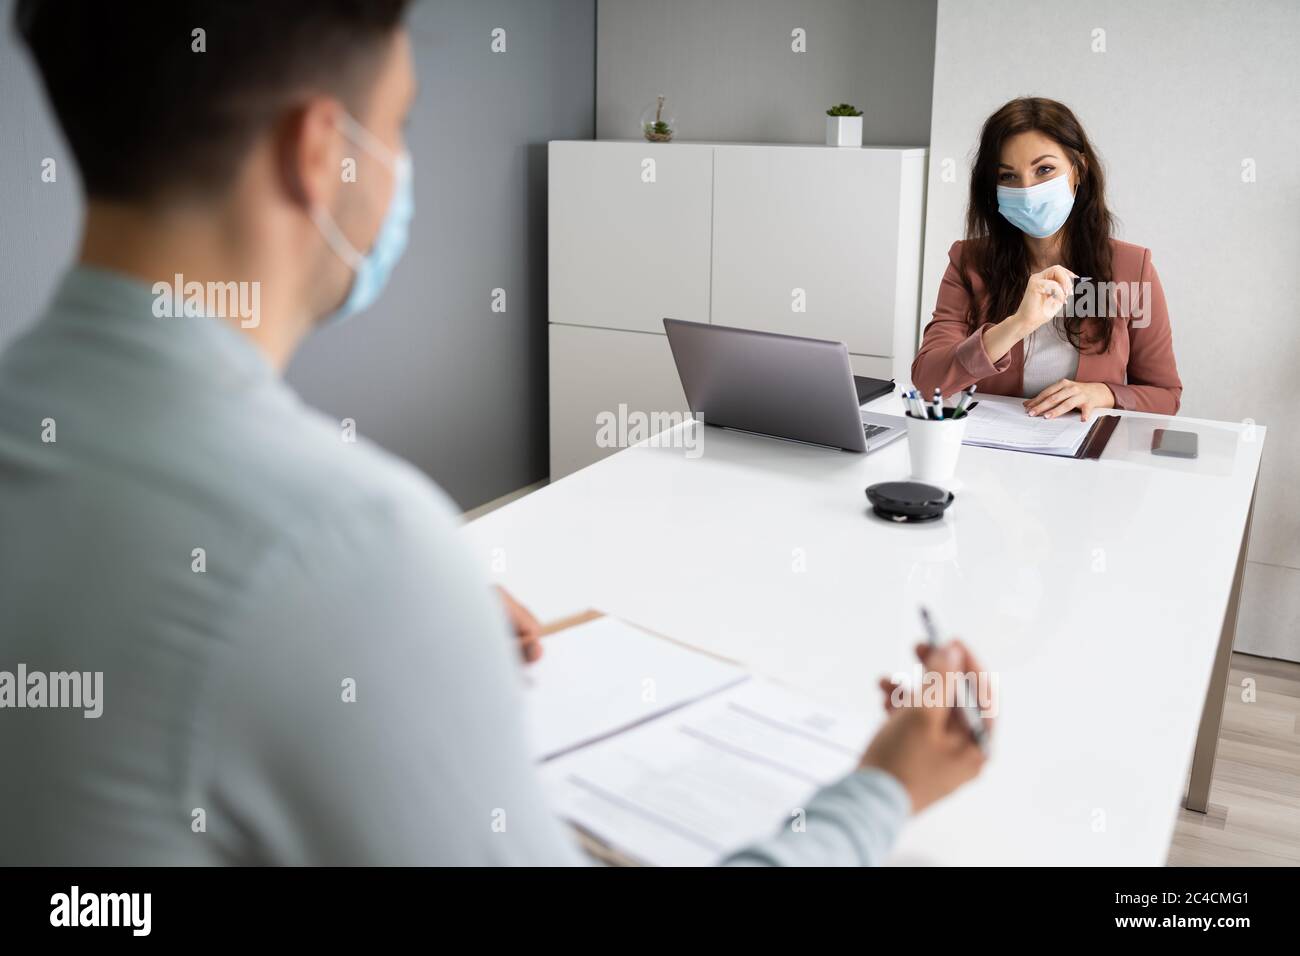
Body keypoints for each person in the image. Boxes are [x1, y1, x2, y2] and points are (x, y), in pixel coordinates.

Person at [0, 0, 986, 865]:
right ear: (319, 153)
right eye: (399, 126)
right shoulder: (345, 541)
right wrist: (881, 789)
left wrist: (393, 613)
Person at [912, 97, 1182, 421]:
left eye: (1044, 170)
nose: (1027, 191)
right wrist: (1017, 325)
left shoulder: (1130, 269)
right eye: (1009, 176)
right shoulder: (969, 262)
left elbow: (1165, 396)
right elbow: (928, 381)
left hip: (1081, 455)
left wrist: (1104, 393)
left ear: (1078, 169)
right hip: (990, 453)